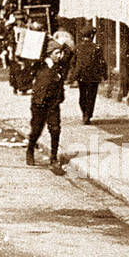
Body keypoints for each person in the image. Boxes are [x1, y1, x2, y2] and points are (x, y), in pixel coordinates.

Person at [27, 31, 74, 171]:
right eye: (56, 53)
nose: (59, 56)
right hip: (39, 103)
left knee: (55, 130)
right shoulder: (39, 65)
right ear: (49, 54)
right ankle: (30, 150)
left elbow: (69, 52)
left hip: (53, 104)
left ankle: (53, 158)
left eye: (60, 53)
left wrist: (58, 41)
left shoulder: (60, 67)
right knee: (36, 130)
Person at [71, 24, 107, 125]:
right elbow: (102, 62)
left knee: (82, 95)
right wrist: (104, 75)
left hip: (81, 75)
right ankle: (88, 115)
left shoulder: (78, 47)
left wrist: (74, 73)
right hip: (94, 76)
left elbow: (73, 62)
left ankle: (84, 113)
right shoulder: (97, 48)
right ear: (92, 36)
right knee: (91, 96)